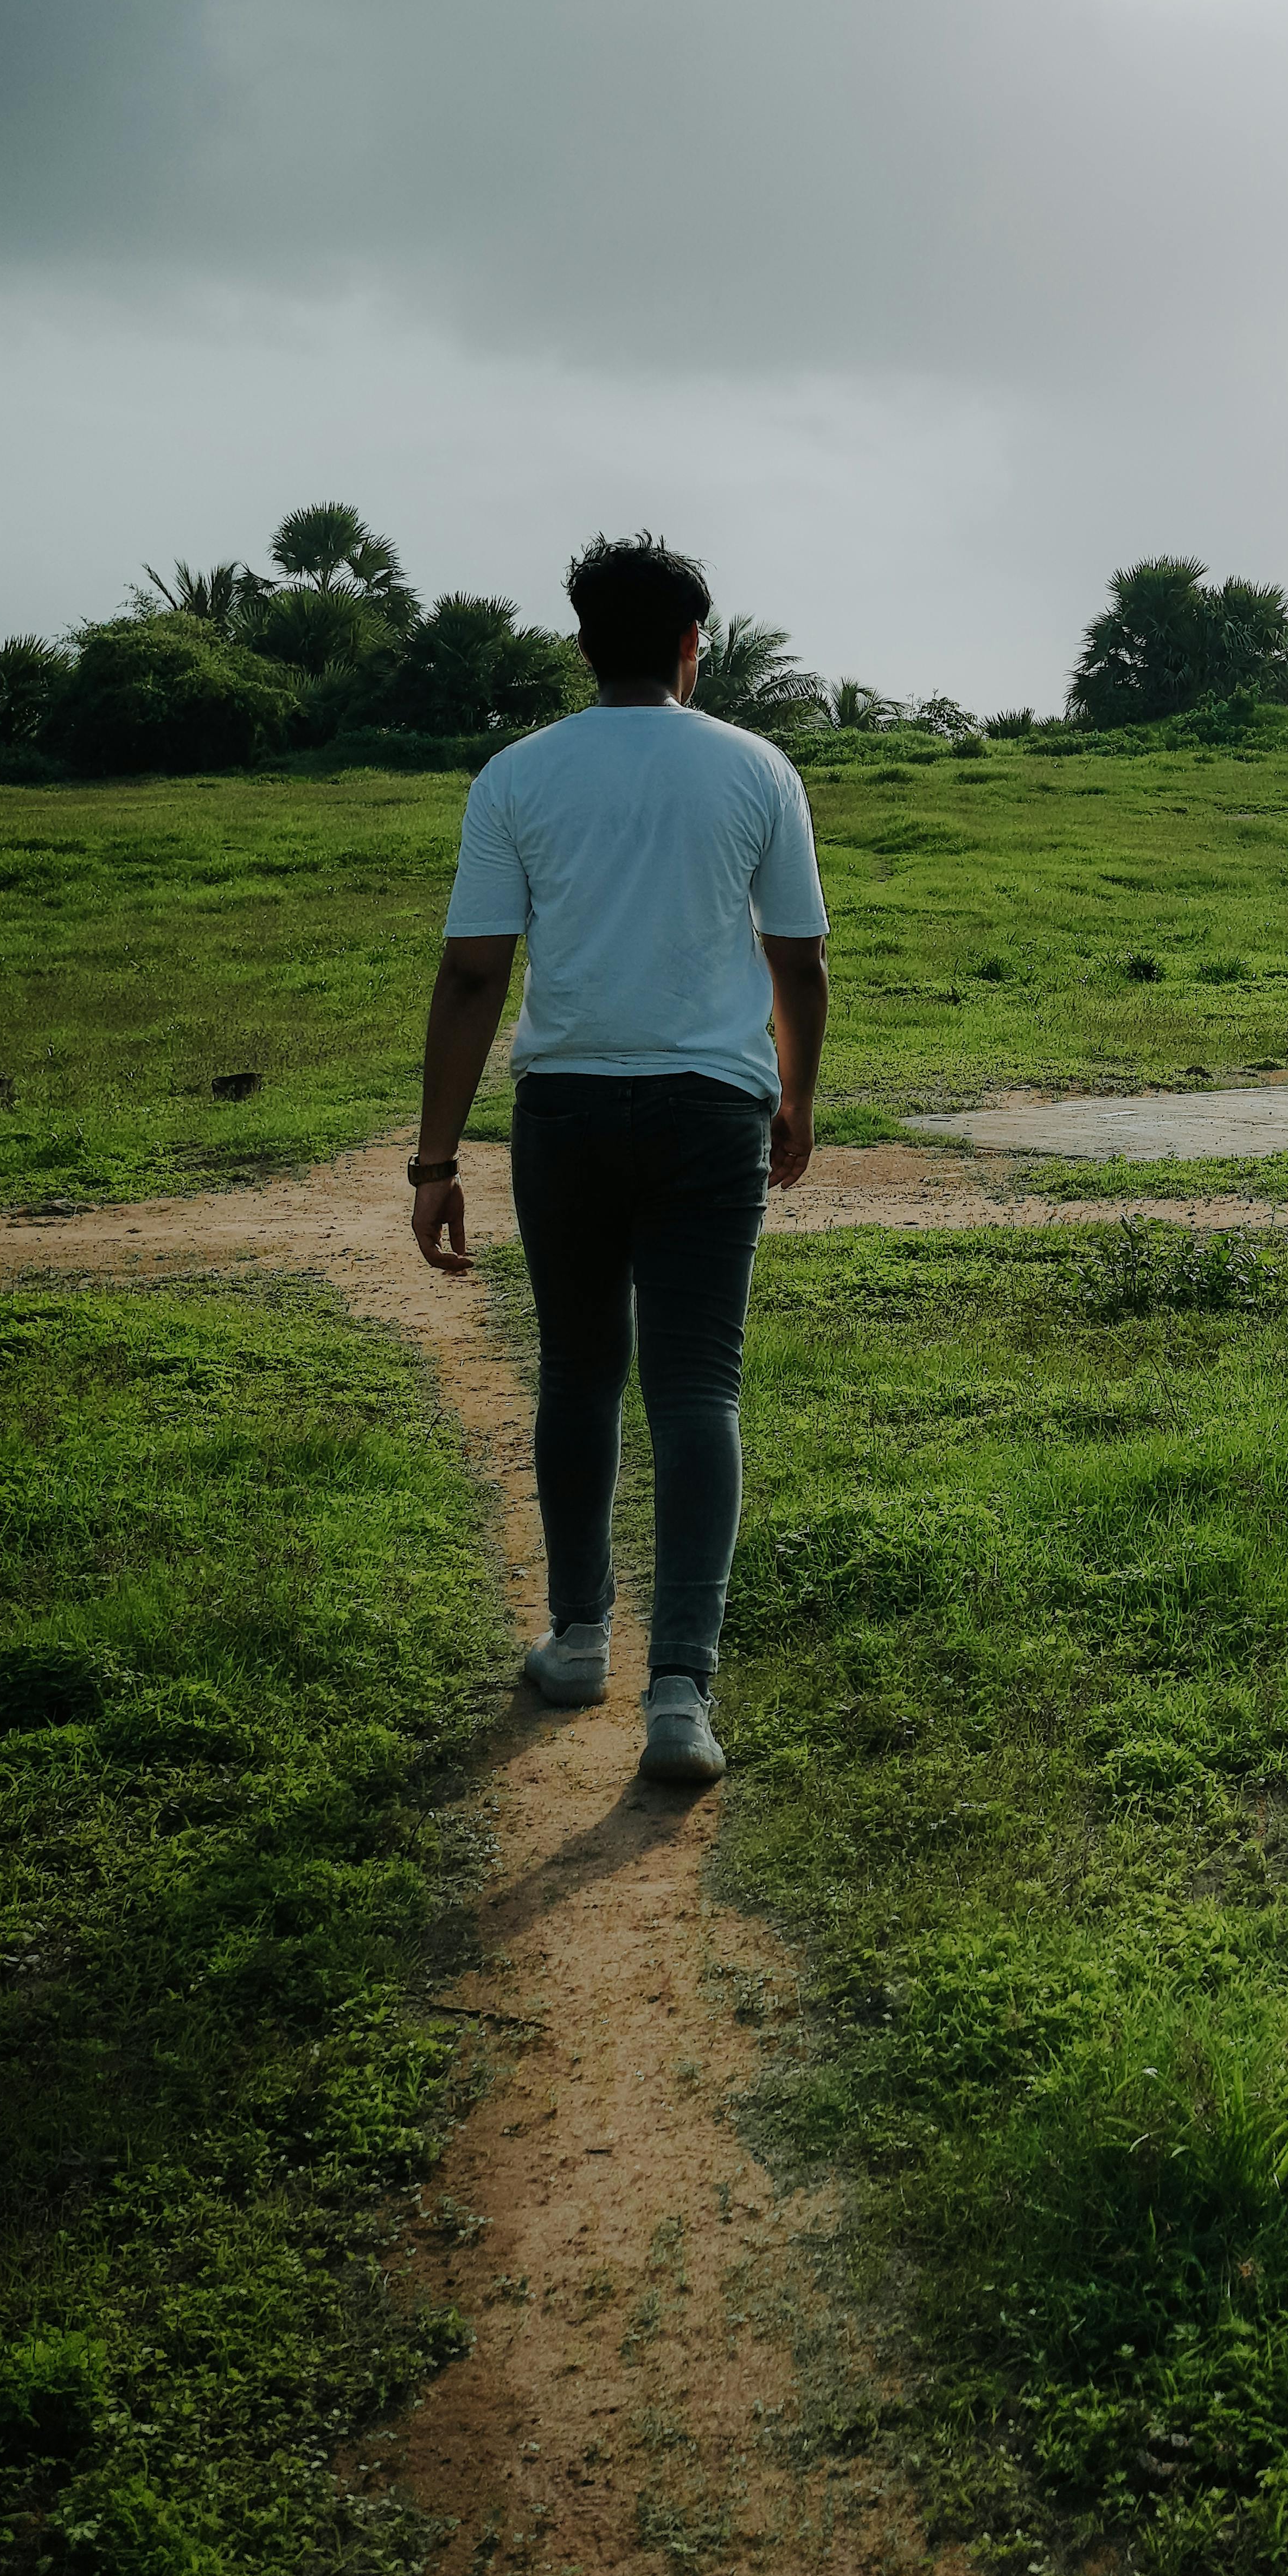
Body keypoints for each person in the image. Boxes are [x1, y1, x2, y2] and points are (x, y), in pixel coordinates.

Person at [409, 530, 829, 1788]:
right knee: (698, 1389)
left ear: (585, 643)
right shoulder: (758, 769)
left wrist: (435, 1158)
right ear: (695, 644)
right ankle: (681, 1694)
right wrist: (795, 1095)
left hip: (569, 1114)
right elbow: (797, 957)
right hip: (713, 1111)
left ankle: (581, 1637)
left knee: (580, 1372)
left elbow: (475, 970)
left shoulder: (519, 776)